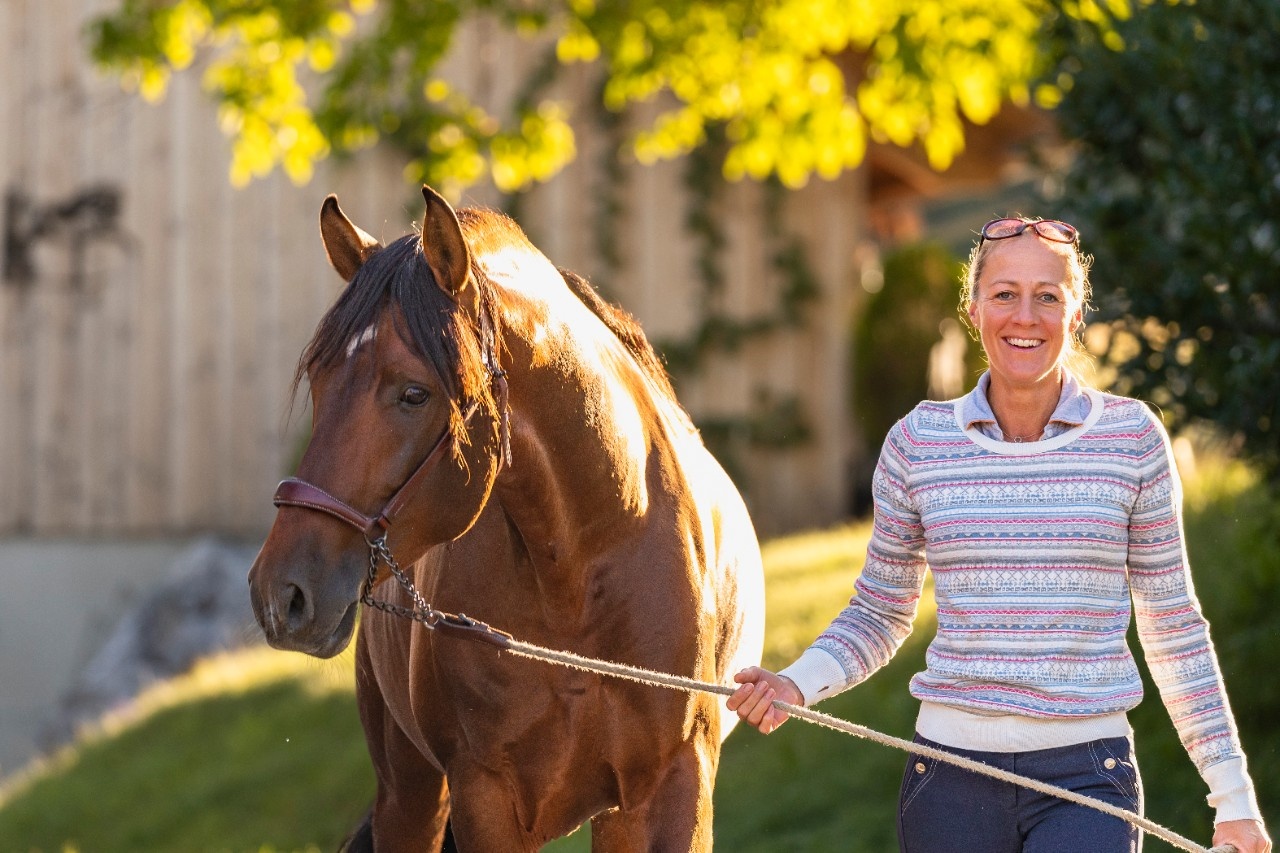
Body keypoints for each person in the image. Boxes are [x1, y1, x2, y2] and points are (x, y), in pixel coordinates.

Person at [728, 217, 1271, 853]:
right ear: (974, 307)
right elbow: (880, 611)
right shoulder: (918, 443)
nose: (1026, 315)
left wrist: (1232, 798)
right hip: (950, 780)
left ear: (1075, 314)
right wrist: (797, 680)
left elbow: (1173, 626)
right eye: (1005, 293)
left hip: (1087, 778)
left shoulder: (1131, 440)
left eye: (1048, 296)